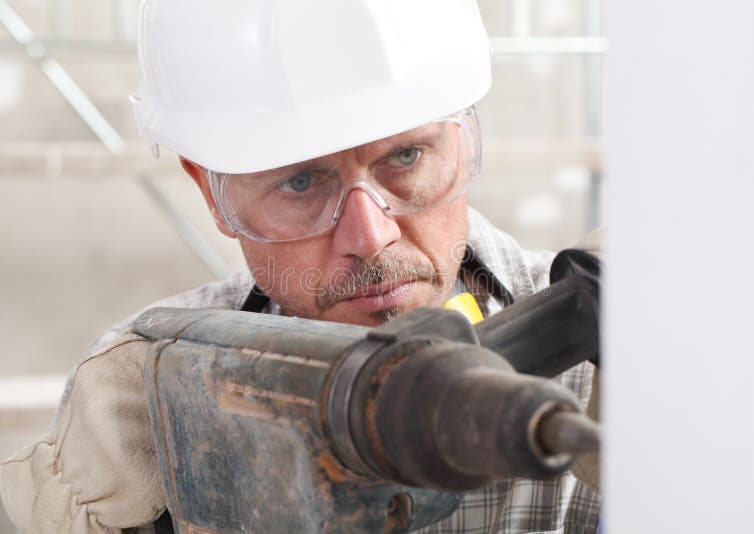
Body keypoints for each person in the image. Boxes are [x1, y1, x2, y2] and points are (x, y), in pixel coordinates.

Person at [0, 1, 600, 532]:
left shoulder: (598, 354)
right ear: (212, 194)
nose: (370, 236)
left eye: (407, 156)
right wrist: (67, 512)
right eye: (300, 181)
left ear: (464, 141)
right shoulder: (153, 393)